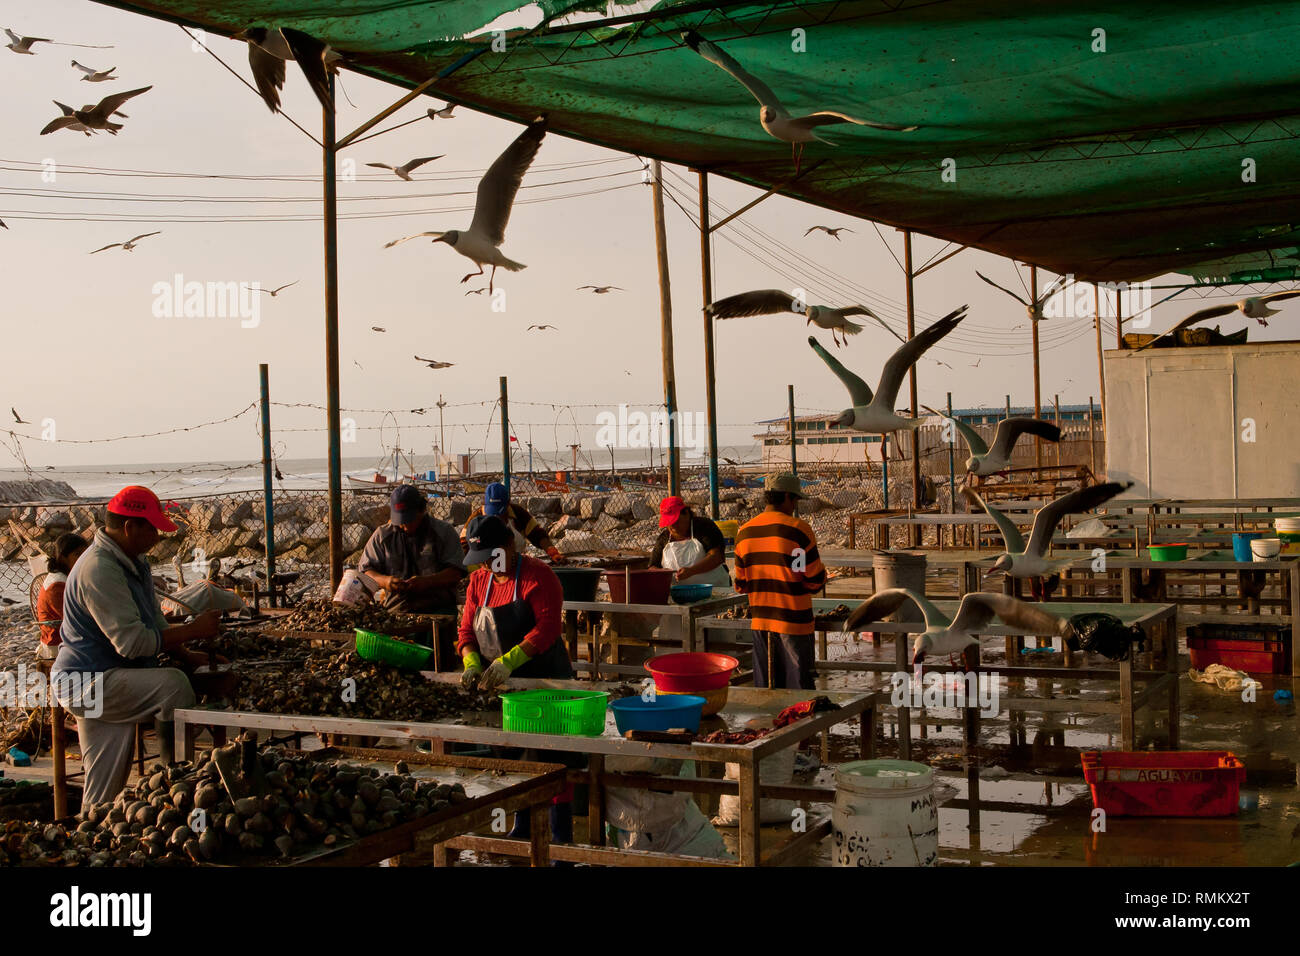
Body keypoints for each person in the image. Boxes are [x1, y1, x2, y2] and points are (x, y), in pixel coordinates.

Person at [53, 486, 221, 807]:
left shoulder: (133, 562)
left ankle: (89, 840)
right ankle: (176, 783)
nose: (157, 536)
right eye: (152, 528)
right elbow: (132, 643)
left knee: (102, 794)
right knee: (173, 685)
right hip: (88, 682)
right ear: (130, 527)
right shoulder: (100, 569)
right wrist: (192, 631)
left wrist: (187, 654)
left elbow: (154, 622)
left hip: (101, 679)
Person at [456, 515, 576, 850]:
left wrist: (510, 661)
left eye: (492, 558)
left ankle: (561, 839)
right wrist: (471, 663)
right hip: (502, 690)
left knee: (553, 761)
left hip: (545, 683)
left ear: (510, 545)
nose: (488, 567)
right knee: (512, 760)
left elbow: (549, 628)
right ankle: (522, 827)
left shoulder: (539, 577)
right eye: (482, 562)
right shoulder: (479, 583)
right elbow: (466, 631)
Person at [732, 473, 826, 690]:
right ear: (785, 497)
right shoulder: (797, 530)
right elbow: (812, 580)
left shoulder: (744, 533)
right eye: (794, 500)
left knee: (766, 691)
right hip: (794, 623)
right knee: (799, 693)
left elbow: (741, 584)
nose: (794, 506)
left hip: (761, 623)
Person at [359, 484, 467, 615]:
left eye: (408, 520)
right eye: (400, 521)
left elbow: (456, 572)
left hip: (440, 609)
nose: (403, 525)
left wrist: (428, 582)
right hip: (398, 611)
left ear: (421, 511)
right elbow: (366, 571)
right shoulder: (382, 535)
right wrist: (386, 581)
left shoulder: (444, 532)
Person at [460, 482, 565, 563]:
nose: (496, 516)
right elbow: (465, 544)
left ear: (508, 504)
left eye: (499, 512)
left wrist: (552, 551)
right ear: (485, 505)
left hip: (515, 562)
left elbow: (537, 533)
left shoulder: (518, 513)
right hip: (485, 564)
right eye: (492, 513)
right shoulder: (476, 518)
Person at [648, 496, 731, 588]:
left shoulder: (703, 527)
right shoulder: (664, 538)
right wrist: (661, 573)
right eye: (668, 522)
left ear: (686, 513)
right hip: (678, 594)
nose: (672, 526)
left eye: (675, 521)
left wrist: (692, 571)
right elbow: (652, 567)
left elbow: (717, 556)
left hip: (715, 589)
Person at [34, 532, 89, 662]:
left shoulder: (65, 577)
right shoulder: (57, 585)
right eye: (77, 554)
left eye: (85, 554)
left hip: (66, 636)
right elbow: (74, 620)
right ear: (63, 557)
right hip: (57, 643)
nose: (83, 559)